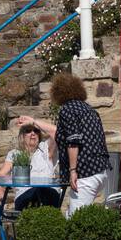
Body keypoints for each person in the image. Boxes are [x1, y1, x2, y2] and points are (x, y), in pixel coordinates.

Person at [15, 72, 110, 215]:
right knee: (73, 216)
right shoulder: (89, 110)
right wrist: (33, 122)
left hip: (85, 173)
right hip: (100, 171)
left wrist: (73, 170)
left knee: (75, 221)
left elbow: (73, 142)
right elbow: (58, 133)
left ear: (58, 93)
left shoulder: (67, 110)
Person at [0, 122, 61, 210]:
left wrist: (34, 121)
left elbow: (56, 131)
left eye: (36, 130)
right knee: (37, 190)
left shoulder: (46, 149)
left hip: (49, 194)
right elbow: (1, 175)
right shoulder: (15, 154)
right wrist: (2, 188)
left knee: (42, 189)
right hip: (24, 196)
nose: (33, 133)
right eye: (28, 131)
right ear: (22, 136)